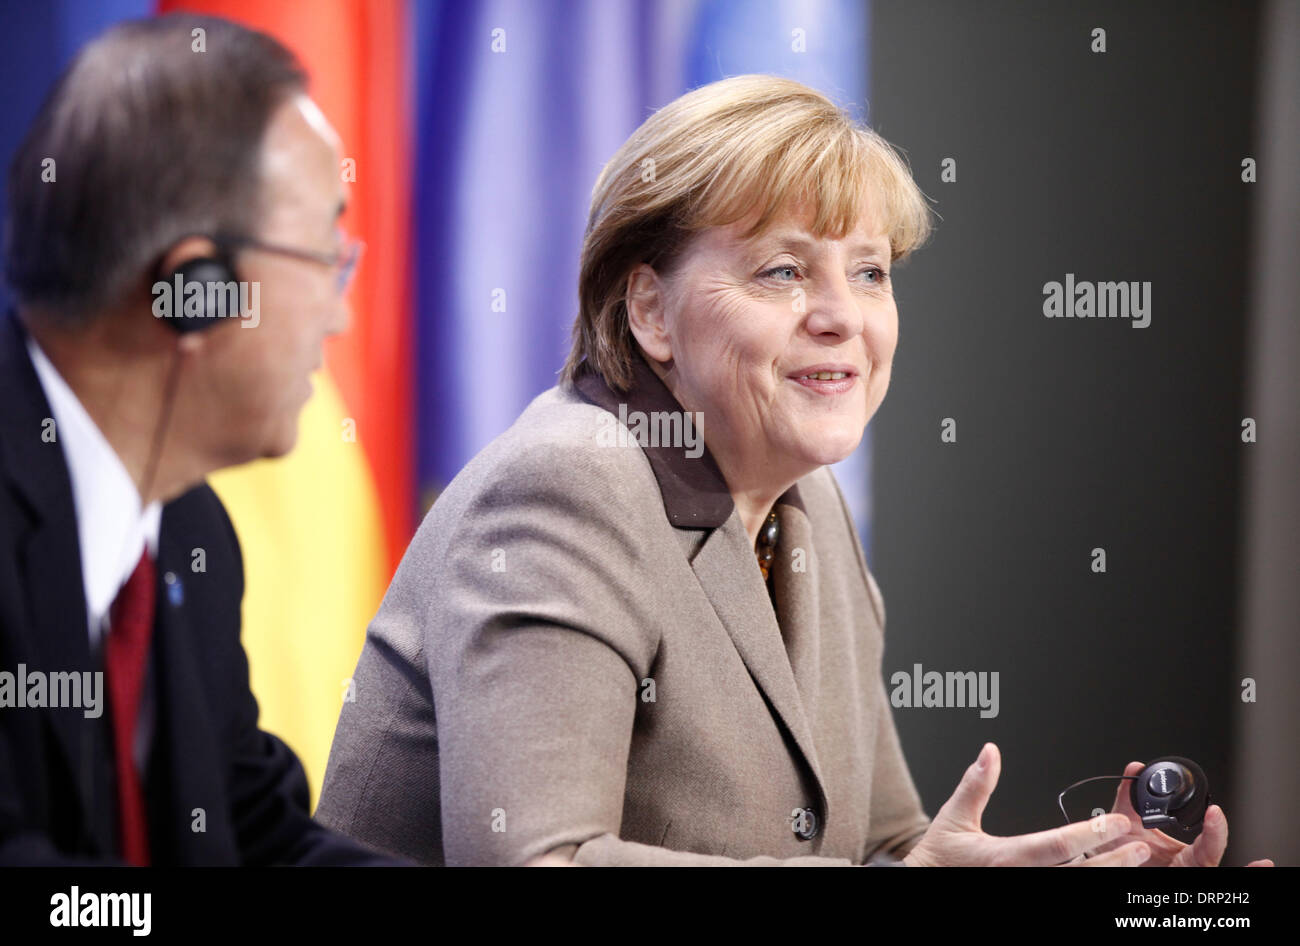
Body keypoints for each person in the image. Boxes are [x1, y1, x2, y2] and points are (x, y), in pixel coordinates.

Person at [316, 74, 1261, 867]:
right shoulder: (566, 491)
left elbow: (882, 846)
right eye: (781, 271)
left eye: (870, 272)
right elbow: (539, 861)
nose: (843, 315)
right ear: (650, 312)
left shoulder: (805, 504)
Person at [0, 14, 394, 865]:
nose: (342, 312)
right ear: (193, 291)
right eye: (326, 256)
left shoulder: (190, 533)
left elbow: (256, 828)